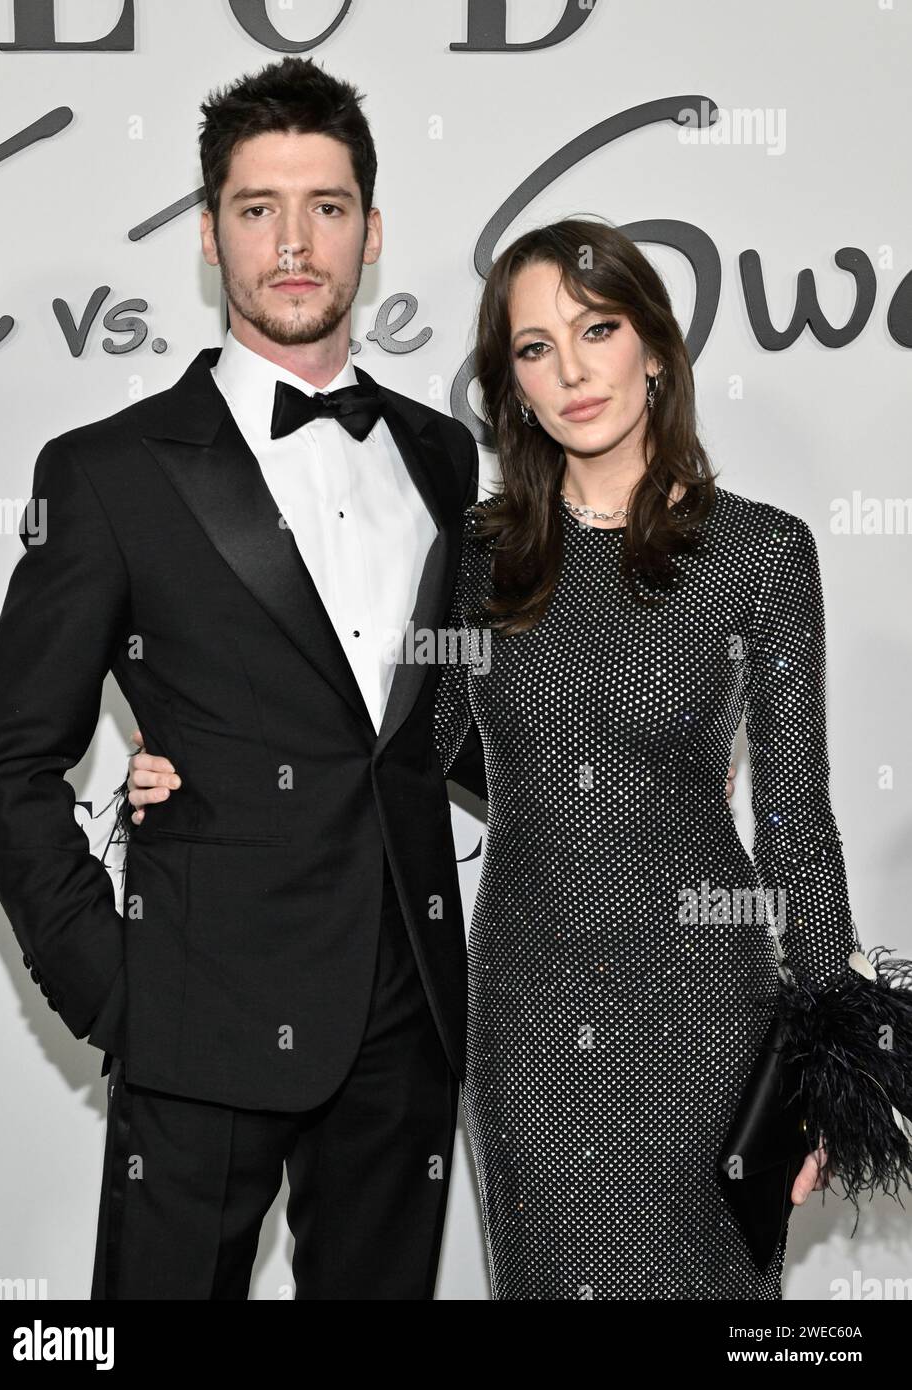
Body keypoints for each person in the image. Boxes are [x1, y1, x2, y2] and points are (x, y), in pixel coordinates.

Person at [130, 218, 875, 1302]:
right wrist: (194, 761)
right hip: (524, 1013)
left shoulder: (761, 551)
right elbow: (388, 758)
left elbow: (797, 826)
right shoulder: (483, 554)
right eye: (533, 348)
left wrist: (825, 1069)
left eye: (597, 329)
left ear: (655, 348)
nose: (570, 370)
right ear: (511, 385)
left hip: (706, 1013)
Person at [0, 57, 489, 1300]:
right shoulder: (108, 470)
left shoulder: (444, 454)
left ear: (373, 230)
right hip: (194, 1013)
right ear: (209, 236)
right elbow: (1, 758)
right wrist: (111, 983)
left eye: (328, 207)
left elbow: (451, 725)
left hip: (406, 1012)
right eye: (259, 209)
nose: (295, 243)